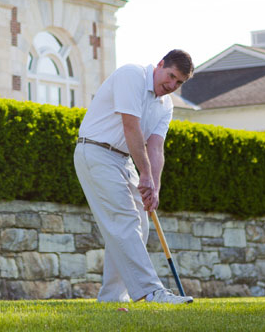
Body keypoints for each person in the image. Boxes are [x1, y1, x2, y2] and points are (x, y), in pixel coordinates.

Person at [73, 49, 194, 305]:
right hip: (96, 151)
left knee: (140, 223)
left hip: (123, 159)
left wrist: (155, 187)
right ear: (160, 64)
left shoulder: (166, 105)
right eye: (171, 76)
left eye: (179, 82)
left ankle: (112, 297)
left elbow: (156, 146)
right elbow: (131, 126)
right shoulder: (132, 75)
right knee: (124, 220)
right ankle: (151, 291)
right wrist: (145, 175)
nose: (171, 85)